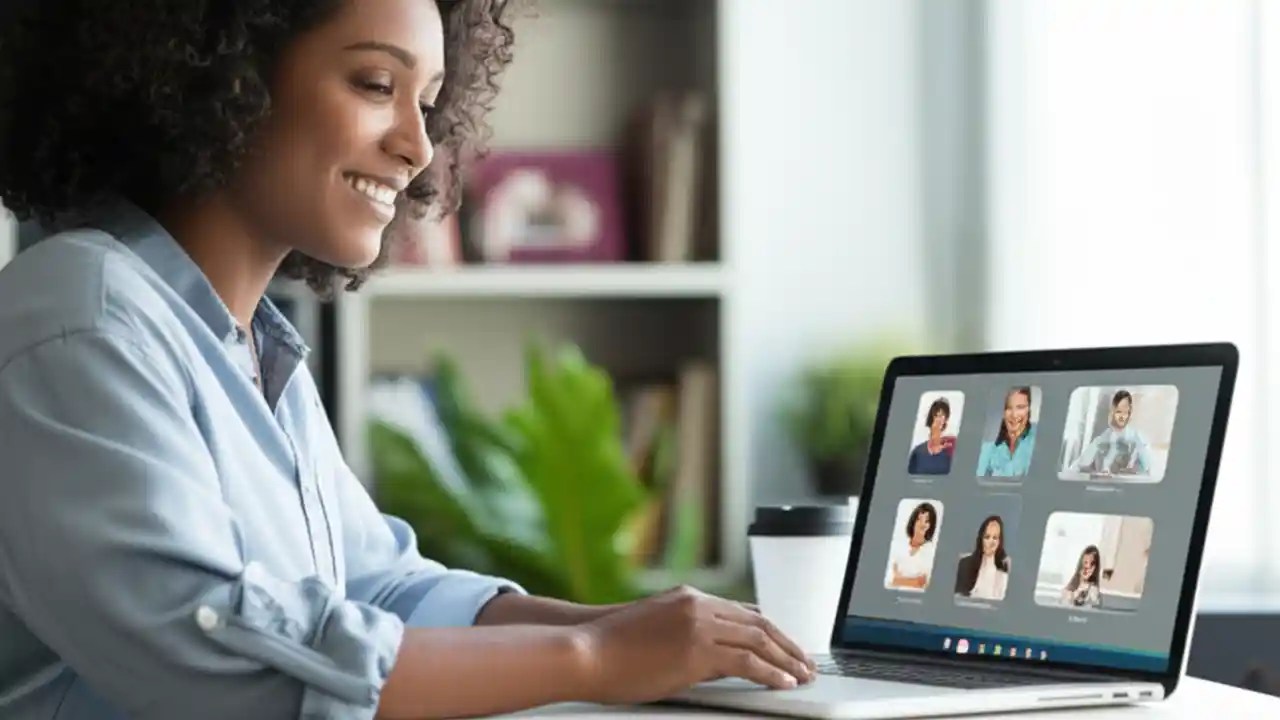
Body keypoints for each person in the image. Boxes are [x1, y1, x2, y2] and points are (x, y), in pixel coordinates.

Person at [0, 3, 815, 719]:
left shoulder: (253, 349)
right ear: (229, 81)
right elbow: (208, 652)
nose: (419, 148)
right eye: (375, 85)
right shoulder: (85, 314)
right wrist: (596, 660)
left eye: (428, 103)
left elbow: (380, 590)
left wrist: (642, 634)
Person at [1072, 390, 1154, 477]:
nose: (1122, 416)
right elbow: (1080, 465)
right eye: (1119, 411)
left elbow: (1147, 468)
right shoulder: (1102, 438)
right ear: (1113, 412)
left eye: (1125, 412)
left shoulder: (1138, 439)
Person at [976, 387, 1038, 477]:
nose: (1014, 415)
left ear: (1029, 409)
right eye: (1008, 408)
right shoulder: (988, 448)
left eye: (1020, 407)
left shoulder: (1040, 440)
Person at [953, 516, 1011, 601]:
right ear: (981, 539)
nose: (991, 542)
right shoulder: (965, 564)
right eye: (987, 537)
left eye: (995, 538)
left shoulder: (1005, 569)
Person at [887, 502, 940, 591]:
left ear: (931, 526)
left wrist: (898, 579)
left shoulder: (931, 552)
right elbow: (888, 577)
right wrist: (911, 581)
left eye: (927, 521)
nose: (922, 524)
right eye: (919, 519)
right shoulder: (898, 546)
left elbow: (922, 583)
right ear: (913, 522)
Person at [907, 397, 956, 475]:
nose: (938, 420)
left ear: (946, 420)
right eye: (936, 415)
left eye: (942, 416)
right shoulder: (918, 452)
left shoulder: (950, 450)